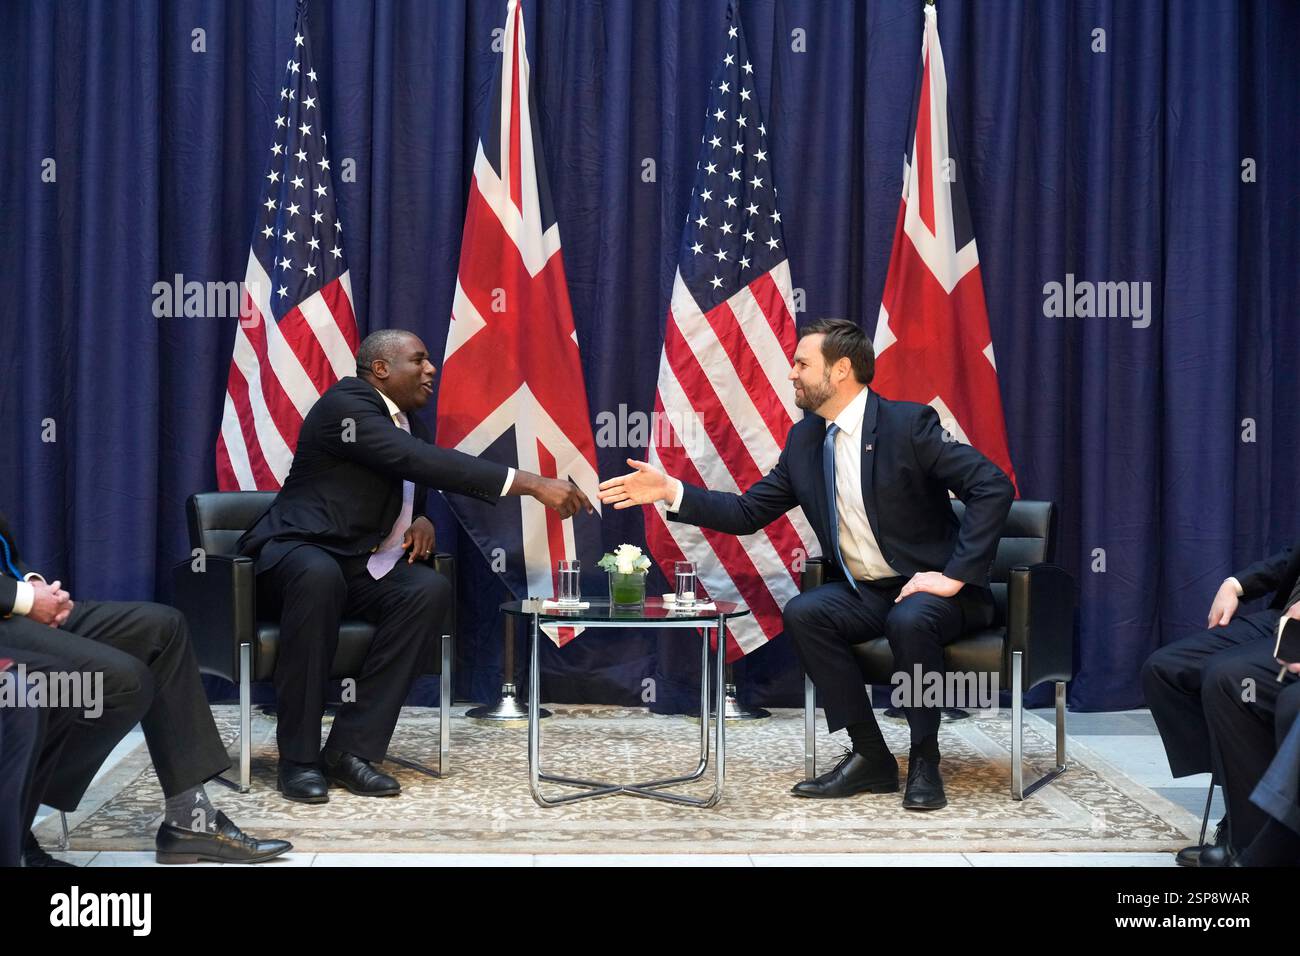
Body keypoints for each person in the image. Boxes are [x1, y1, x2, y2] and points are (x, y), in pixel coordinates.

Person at [598, 319, 1014, 810]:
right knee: (805, 611)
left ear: (841, 371)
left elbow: (993, 486)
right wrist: (672, 491)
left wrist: (953, 576)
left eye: (801, 364)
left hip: (942, 596)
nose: (791, 374)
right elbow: (748, 513)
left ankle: (925, 758)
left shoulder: (909, 425)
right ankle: (870, 756)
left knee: (911, 617)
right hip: (869, 592)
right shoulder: (806, 441)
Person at [239, 328, 592, 804]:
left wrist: (419, 516)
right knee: (317, 575)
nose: (431, 370)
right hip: (293, 555)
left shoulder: (405, 421)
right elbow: (414, 460)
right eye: (419, 361)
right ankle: (299, 760)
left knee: (425, 590)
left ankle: (350, 751)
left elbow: (405, 477)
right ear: (380, 369)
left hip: (355, 565)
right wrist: (529, 482)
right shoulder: (346, 406)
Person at [0, 513, 291, 865]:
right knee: (125, 682)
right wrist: (24, 599)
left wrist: (33, 586)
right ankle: (15, 820)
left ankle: (189, 818)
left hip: (12, 607)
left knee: (162, 628)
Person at [1143, 535, 1300, 866]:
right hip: (1282, 619)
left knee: (1227, 678)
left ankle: (1248, 843)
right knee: (1166, 670)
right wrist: (1237, 584)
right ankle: (1244, 800)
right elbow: (1293, 556)